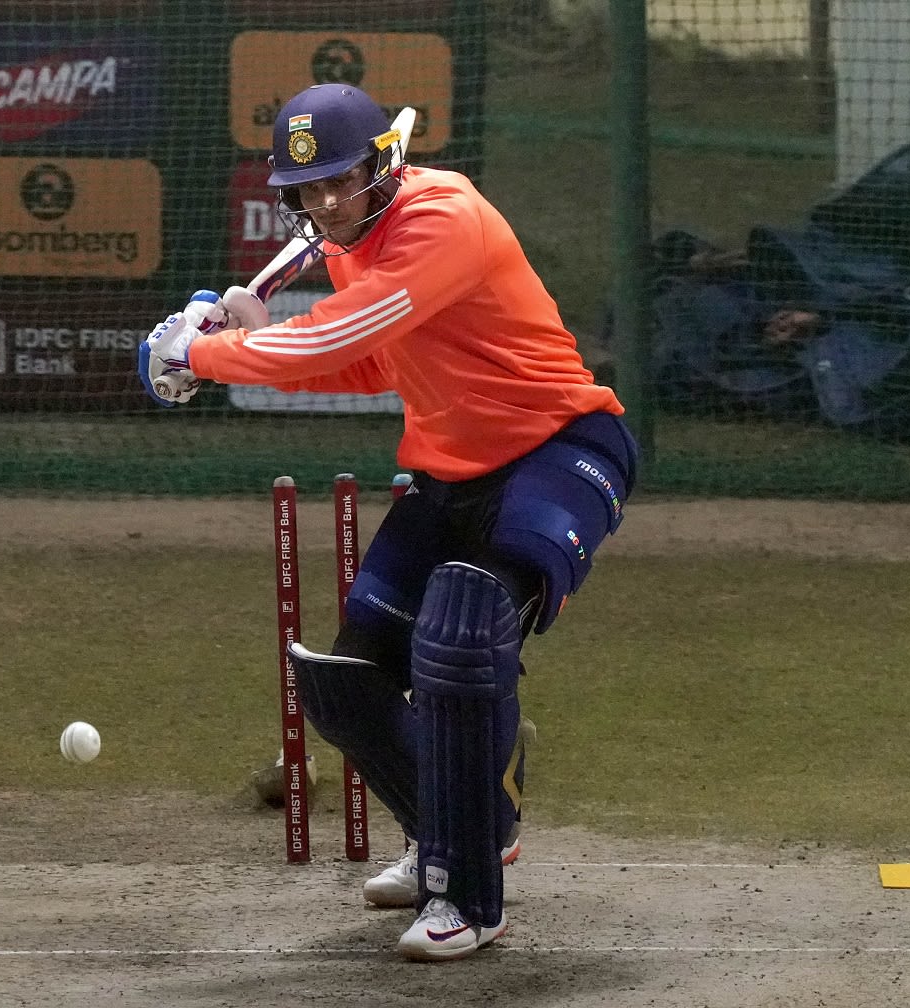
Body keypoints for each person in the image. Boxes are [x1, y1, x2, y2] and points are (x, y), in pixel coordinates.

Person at [138, 83, 638, 962]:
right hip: (451, 471)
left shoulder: (445, 217)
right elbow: (370, 364)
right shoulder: (348, 251)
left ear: (384, 164)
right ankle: (461, 825)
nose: (328, 203)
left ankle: (467, 894)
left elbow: (337, 338)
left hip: (557, 449)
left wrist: (204, 354)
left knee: (464, 631)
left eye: (344, 180)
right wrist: (248, 337)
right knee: (341, 680)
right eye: (309, 191)